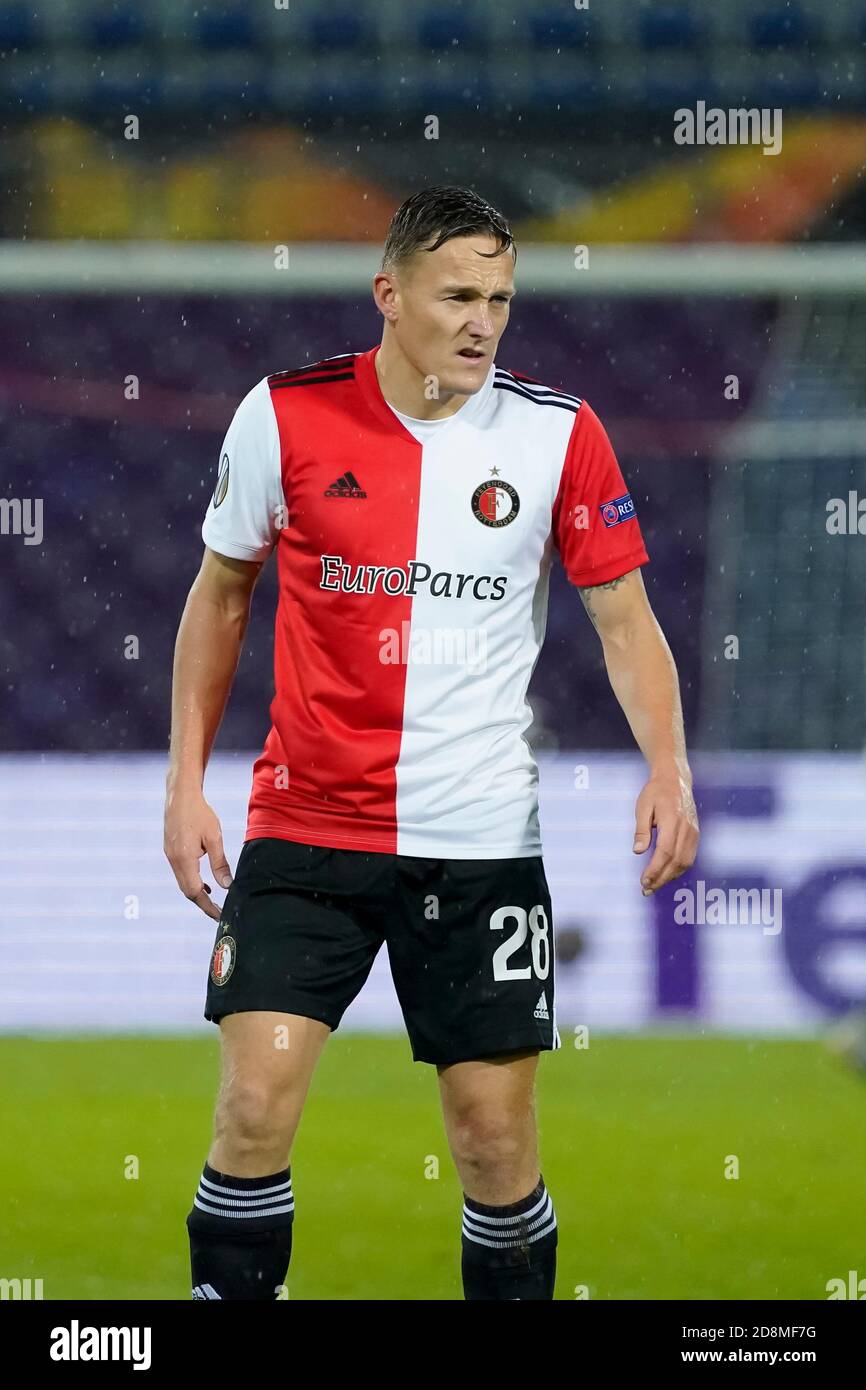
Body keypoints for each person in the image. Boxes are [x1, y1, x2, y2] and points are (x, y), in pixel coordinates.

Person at [164, 184, 700, 1301]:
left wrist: (669, 766)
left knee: (493, 1144)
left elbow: (623, 620)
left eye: (499, 298)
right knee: (253, 1106)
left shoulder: (559, 434)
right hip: (306, 829)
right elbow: (220, 596)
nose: (481, 322)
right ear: (388, 293)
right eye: (457, 294)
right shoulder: (283, 414)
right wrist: (186, 785)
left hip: (480, 844)